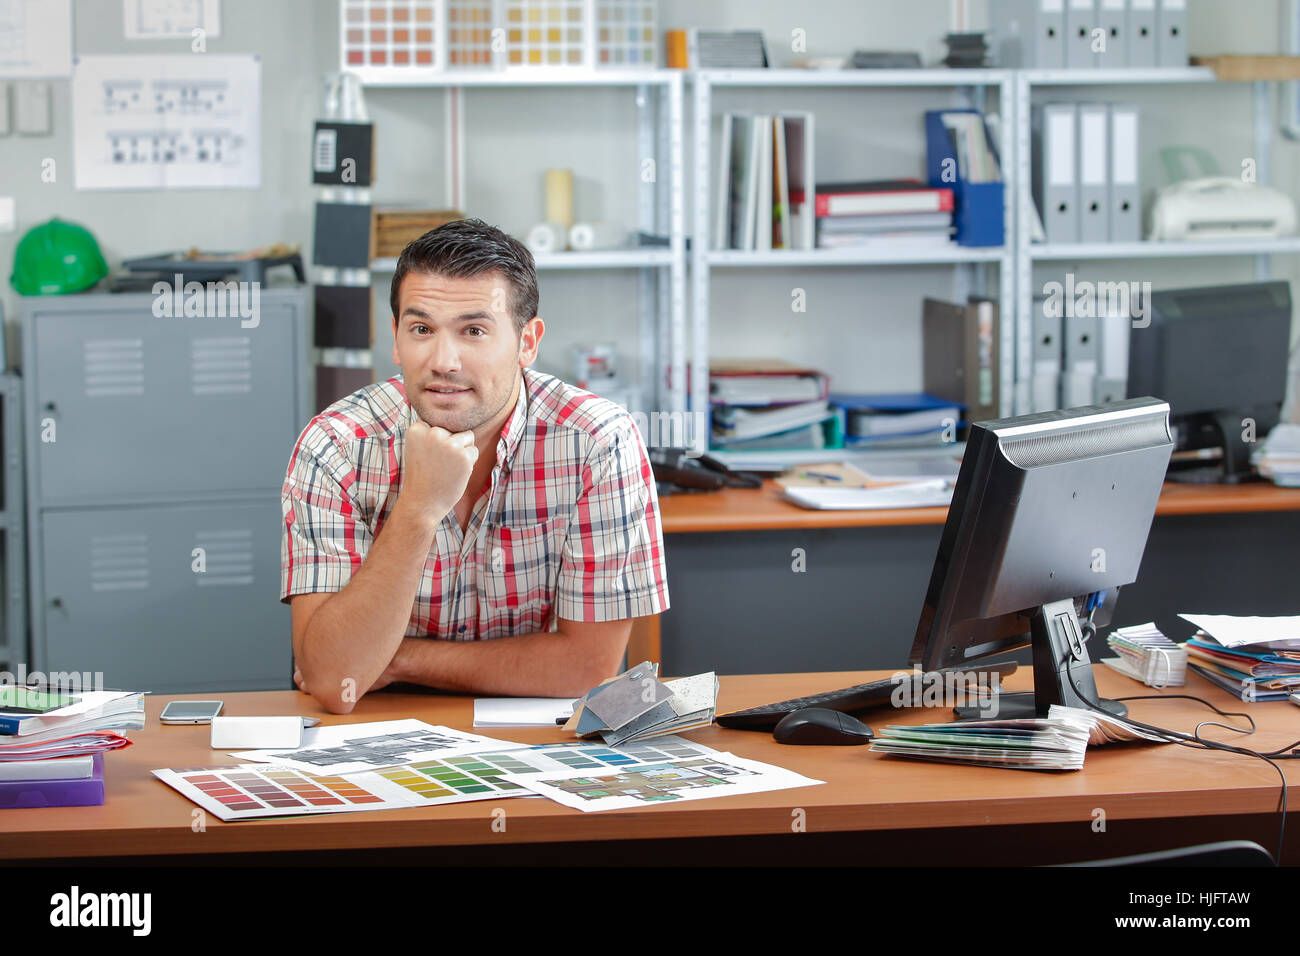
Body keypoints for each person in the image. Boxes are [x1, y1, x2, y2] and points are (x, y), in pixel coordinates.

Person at [281, 218, 669, 714]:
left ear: (528, 343)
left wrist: (399, 661)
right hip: (374, 728)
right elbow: (336, 681)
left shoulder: (598, 442)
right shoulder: (333, 447)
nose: (444, 360)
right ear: (397, 339)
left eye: (474, 331)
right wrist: (418, 511)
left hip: (535, 735)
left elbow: (588, 669)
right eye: (421, 329)